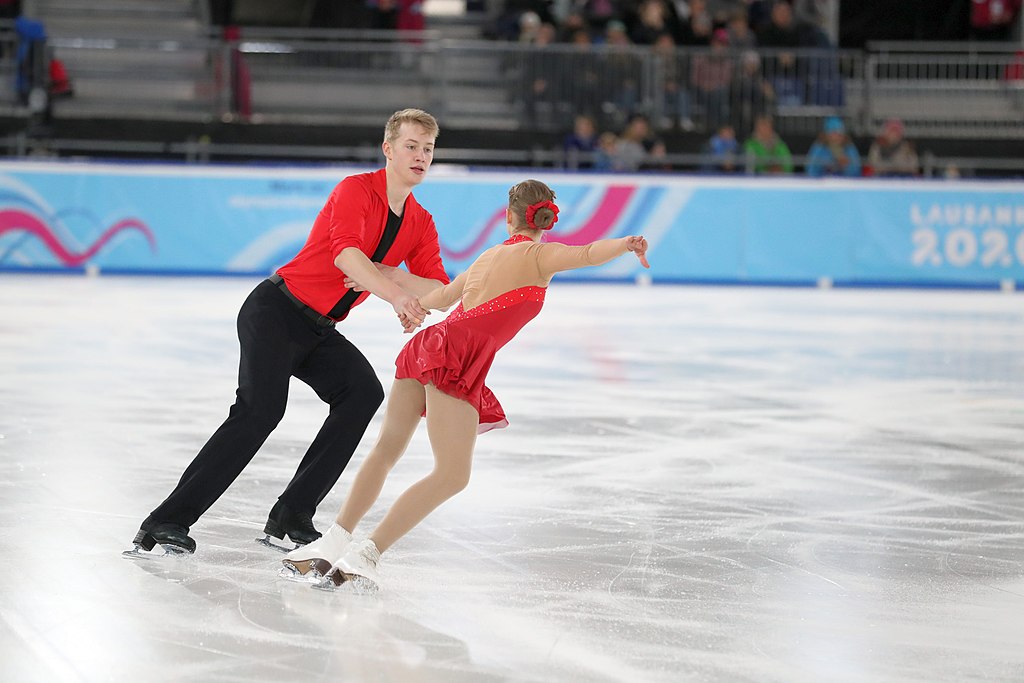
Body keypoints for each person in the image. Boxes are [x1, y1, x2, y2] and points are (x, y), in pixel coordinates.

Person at [280, 179, 650, 589]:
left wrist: (389, 283)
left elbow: (440, 298)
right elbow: (585, 253)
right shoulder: (539, 255)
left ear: (508, 219)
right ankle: (364, 555)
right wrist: (626, 243)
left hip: (428, 346)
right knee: (453, 474)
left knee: (388, 449)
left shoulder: (487, 258)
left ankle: (332, 543)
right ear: (544, 220)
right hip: (456, 357)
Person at [127, 109, 450, 556]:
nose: (420, 157)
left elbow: (439, 289)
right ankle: (166, 520)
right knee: (260, 412)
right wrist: (394, 293)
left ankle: (292, 513)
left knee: (361, 393)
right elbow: (346, 258)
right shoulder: (357, 190)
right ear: (388, 149)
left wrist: (391, 273)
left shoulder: (420, 222)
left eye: (428, 149)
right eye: (411, 146)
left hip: (319, 329)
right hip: (277, 311)